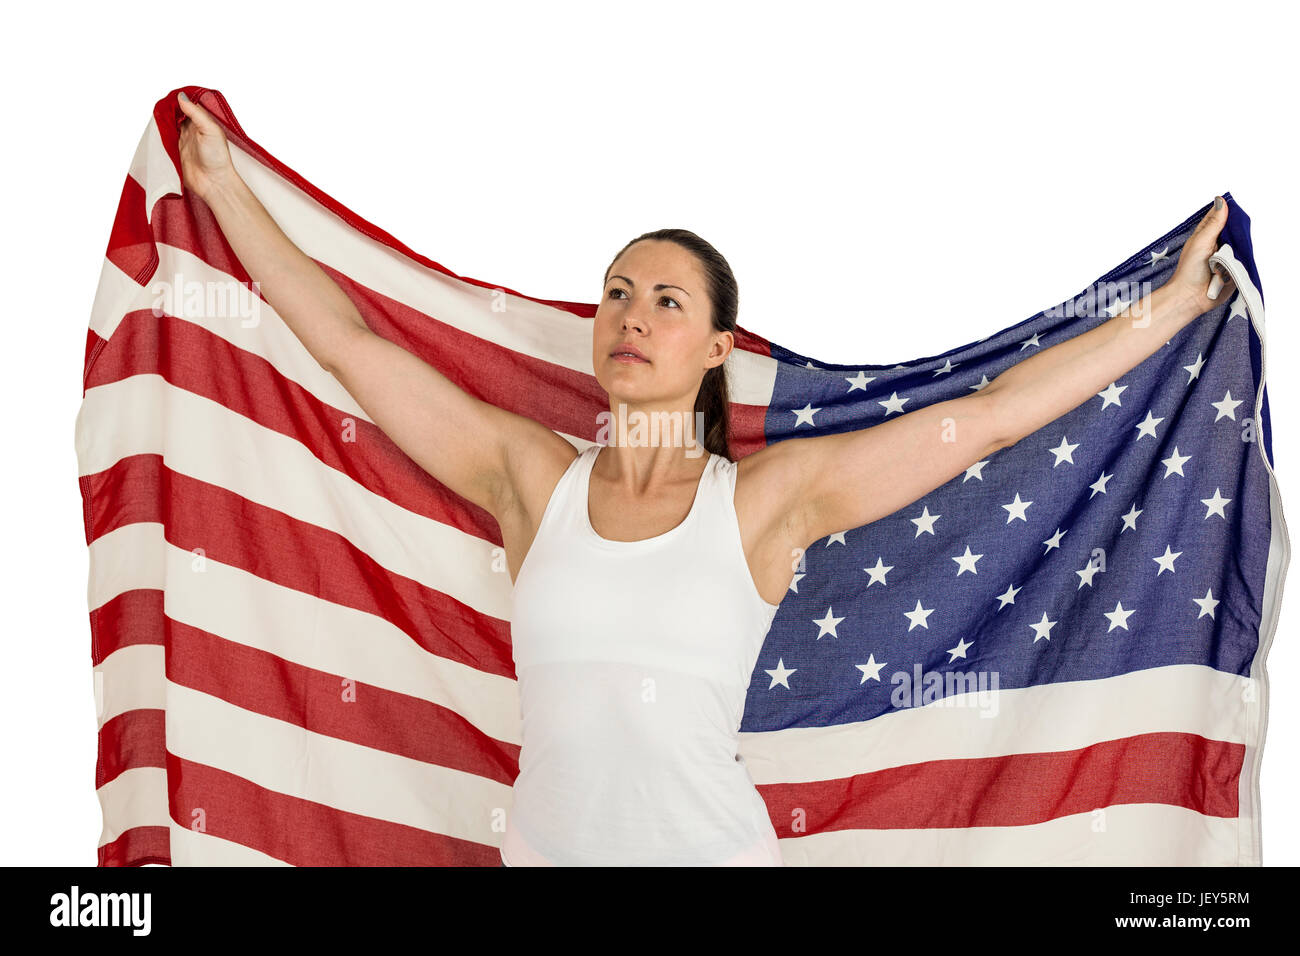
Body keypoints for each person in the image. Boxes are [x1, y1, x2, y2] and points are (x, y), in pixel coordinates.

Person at [175, 92, 1236, 866]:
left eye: (667, 301)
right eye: (616, 293)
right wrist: (222, 188)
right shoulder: (528, 476)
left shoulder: (765, 501)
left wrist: (1170, 311)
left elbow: (985, 417)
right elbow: (355, 351)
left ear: (718, 344)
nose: (632, 315)